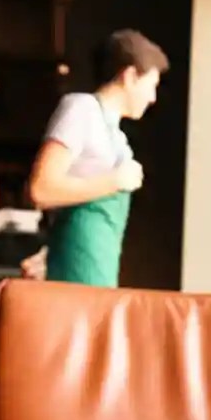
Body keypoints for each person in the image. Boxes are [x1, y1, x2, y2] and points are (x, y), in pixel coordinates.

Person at [27, 29, 167, 287]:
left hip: (99, 267)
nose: (152, 98)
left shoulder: (119, 140)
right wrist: (115, 181)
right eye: (151, 86)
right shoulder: (81, 108)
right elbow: (41, 188)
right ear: (130, 76)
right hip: (77, 270)